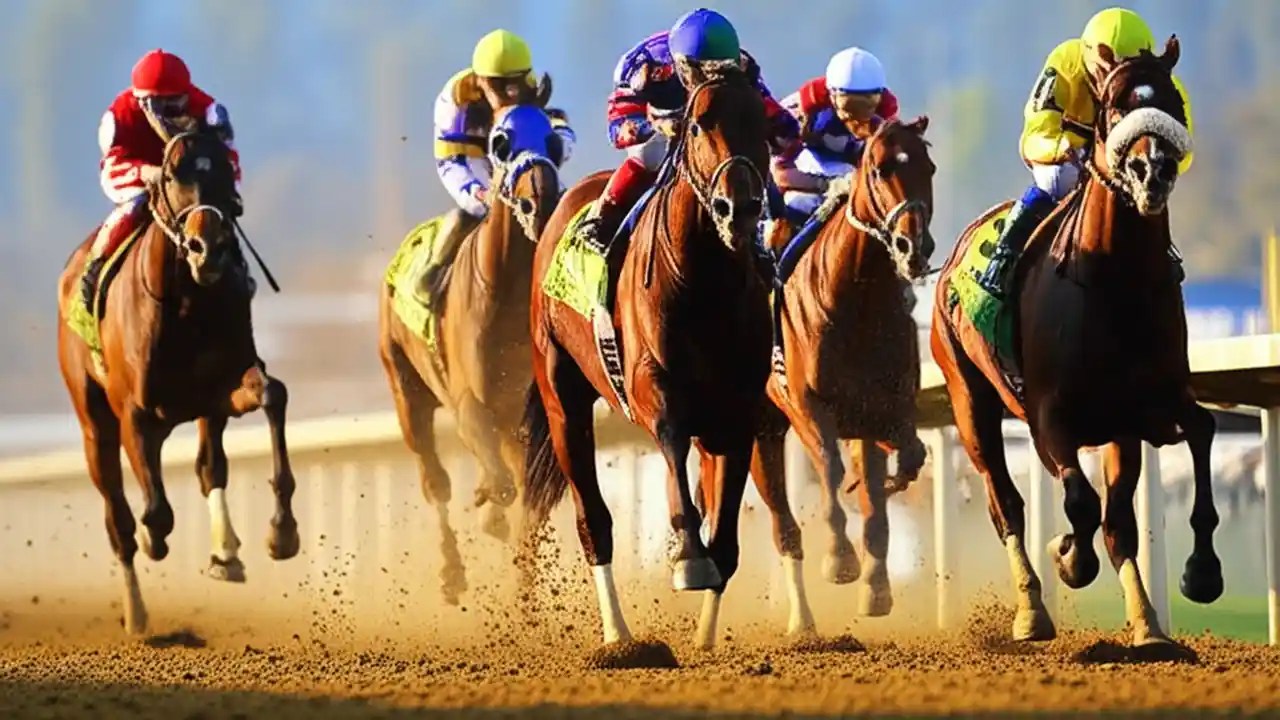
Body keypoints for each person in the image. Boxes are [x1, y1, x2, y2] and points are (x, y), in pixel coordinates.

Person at [977, 6, 1194, 297]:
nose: (1115, 80)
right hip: (1069, 156)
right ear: (1091, 57)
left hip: (1118, 166)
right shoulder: (1065, 63)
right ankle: (1004, 256)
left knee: (1147, 188)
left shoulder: (1159, 83)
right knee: (1056, 178)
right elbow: (1035, 132)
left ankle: (1162, 251)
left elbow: (1185, 150)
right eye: (1108, 69)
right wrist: (1060, 146)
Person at [575, 7, 800, 256]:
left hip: (708, 121)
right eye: (703, 71)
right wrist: (655, 126)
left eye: (724, 70)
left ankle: (778, 230)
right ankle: (603, 215)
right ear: (682, 66)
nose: (713, 79)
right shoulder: (646, 71)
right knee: (650, 155)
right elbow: (617, 129)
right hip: (660, 117)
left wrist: (778, 127)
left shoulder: (743, 68)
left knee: (743, 150)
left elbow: (782, 125)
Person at [420, 29, 575, 306]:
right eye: (499, 86)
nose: (510, 94)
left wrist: (552, 156)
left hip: (518, 155)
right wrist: (480, 193)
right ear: (480, 81)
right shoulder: (455, 101)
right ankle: (435, 272)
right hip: (472, 155)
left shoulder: (533, 89)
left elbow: (560, 134)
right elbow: (452, 163)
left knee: (555, 204)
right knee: (474, 213)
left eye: (516, 84)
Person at [85, 49, 241, 309]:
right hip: (138, 176)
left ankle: (239, 278)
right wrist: (150, 174)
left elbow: (228, 158)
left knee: (216, 213)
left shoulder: (209, 112)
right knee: (132, 208)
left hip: (189, 180)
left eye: (173, 103)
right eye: (157, 105)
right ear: (141, 100)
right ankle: (97, 267)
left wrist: (226, 190)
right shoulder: (119, 116)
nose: (166, 113)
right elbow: (113, 167)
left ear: (186, 93)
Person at [774, 46, 900, 221]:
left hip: (856, 180)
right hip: (806, 175)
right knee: (797, 202)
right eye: (849, 106)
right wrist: (825, 185)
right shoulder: (798, 113)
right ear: (831, 95)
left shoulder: (886, 120)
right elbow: (777, 172)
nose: (855, 118)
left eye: (866, 107)